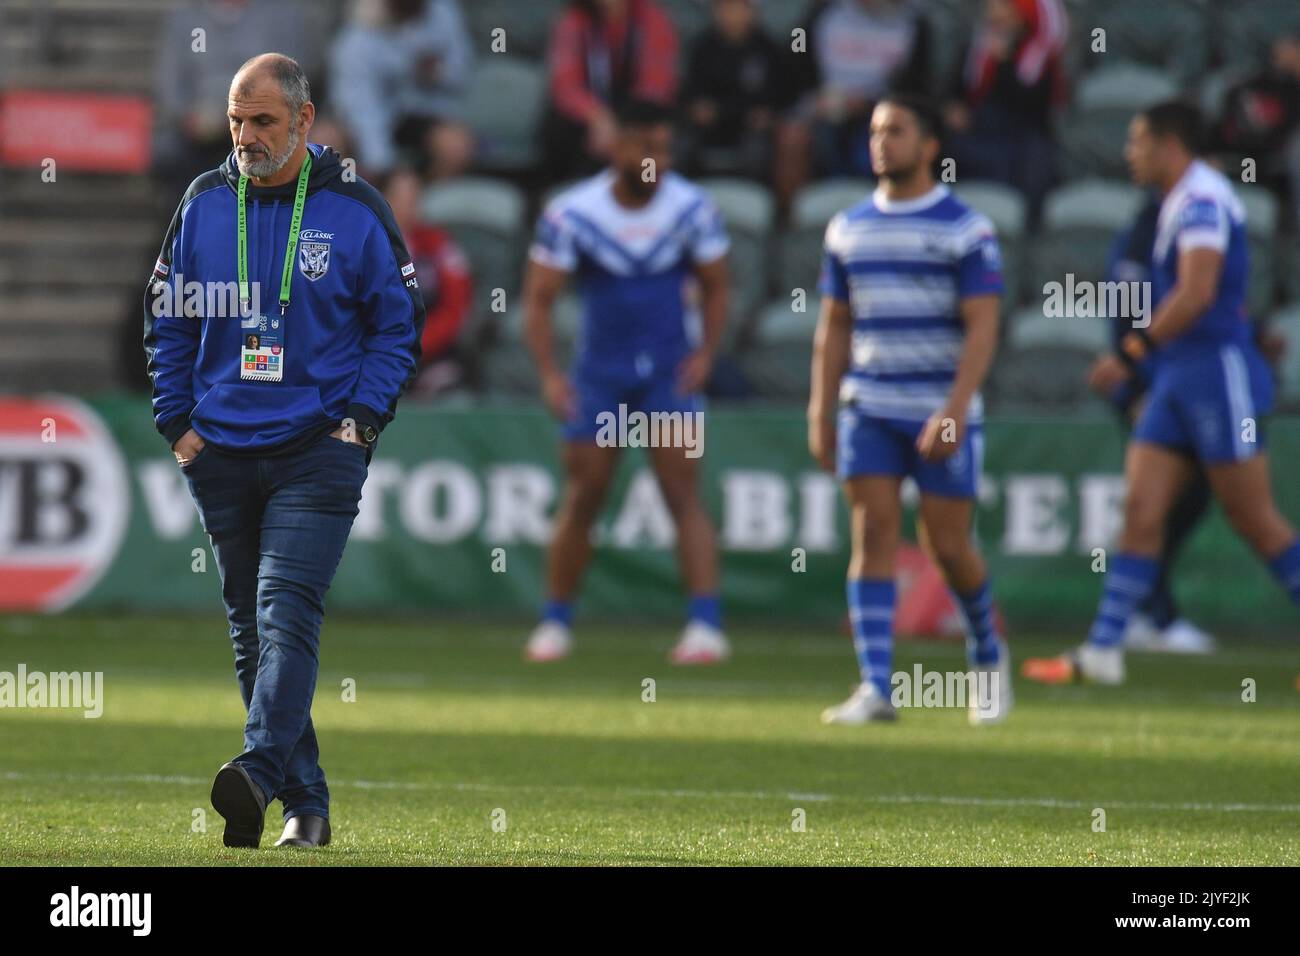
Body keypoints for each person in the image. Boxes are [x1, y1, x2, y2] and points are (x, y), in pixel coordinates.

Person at [143, 53, 423, 848]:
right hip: (220, 449)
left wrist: (360, 423)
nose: (246, 136)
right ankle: (306, 805)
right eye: (237, 120)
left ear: (305, 121)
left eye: (263, 121)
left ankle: (258, 772)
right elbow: (167, 319)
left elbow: (398, 325)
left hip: (317, 450)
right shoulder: (201, 203)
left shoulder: (354, 208)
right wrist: (179, 426)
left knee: (285, 613)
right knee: (250, 633)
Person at [1023, 101, 1300, 686]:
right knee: (1142, 513)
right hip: (1178, 373)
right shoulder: (1180, 202)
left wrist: (1131, 353)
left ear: (1170, 144)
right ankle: (1103, 649)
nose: (1130, 153)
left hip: (1214, 369)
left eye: (1138, 141)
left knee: (1253, 517)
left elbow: (1197, 294)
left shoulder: (1201, 199)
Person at [809, 93, 1011, 725]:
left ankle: (986, 652)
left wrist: (955, 408)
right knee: (871, 531)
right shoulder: (846, 228)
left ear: (929, 146)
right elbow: (834, 325)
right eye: (874, 131)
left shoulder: (964, 229)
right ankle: (876, 686)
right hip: (868, 404)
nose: (881, 142)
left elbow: (983, 327)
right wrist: (821, 408)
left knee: (947, 545)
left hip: (937, 408)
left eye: (895, 131)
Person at [522, 99, 731, 664]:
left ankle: (706, 625)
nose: (654, 160)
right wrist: (549, 374)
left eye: (663, 148)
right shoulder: (574, 213)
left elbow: (717, 285)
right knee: (584, 494)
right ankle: (556, 622)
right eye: (644, 146)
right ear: (616, 146)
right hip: (601, 376)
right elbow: (539, 300)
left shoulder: (692, 209)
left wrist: (707, 353)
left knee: (682, 493)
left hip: (668, 373)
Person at [1092, 196, 1215, 654]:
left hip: (1193, 385)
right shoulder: (1142, 237)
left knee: (1185, 501)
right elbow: (1126, 317)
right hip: (1154, 390)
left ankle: (1140, 614)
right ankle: (1151, 615)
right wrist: (1132, 391)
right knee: (1154, 507)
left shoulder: (1194, 228)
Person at [943, 0, 1067, 226]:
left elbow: (1034, 108)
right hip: (977, 129)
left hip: (1020, 137)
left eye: (1003, 6)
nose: (994, 12)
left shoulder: (1038, 55)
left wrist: (1004, 63)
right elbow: (956, 91)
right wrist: (955, 108)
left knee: (1035, 161)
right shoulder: (976, 47)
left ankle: (1024, 226)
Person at [330, 0, 476, 181]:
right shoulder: (358, 34)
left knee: (455, 145)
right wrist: (383, 167)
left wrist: (437, 73)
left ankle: (421, 199)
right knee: (325, 139)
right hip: (368, 118)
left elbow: (463, 73)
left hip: (423, 114)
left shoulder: (444, 11)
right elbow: (361, 107)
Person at [539, 0, 679, 183]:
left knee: (659, 128)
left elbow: (656, 84)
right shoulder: (573, 21)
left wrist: (623, 128)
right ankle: (569, 191)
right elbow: (566, 86)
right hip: (589, 121)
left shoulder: (653, 19)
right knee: (558, 127)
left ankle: (648, 190)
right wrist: (597, 116)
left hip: (634, 116)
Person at [382, 168, 474, 396]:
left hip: (431, 354)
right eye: (400, 196)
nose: (409, 205)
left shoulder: (439, 244)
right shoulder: (359, 243)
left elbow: (456, 307)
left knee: (451, 389)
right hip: (374, 353)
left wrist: (417, 344)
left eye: (414, 197)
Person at [679, 0, 785, 180]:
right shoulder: (701, 47)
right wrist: (697, 109)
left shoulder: (768, 49)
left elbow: (779, 96)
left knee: (759, 149)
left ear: (751, 12)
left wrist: (769, 115)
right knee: (681, 144)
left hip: (751, 127)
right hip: (710, 125)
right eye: (725, 9)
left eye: (737, 9)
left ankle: (762, 202)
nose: (731, 16)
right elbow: (691, 95)